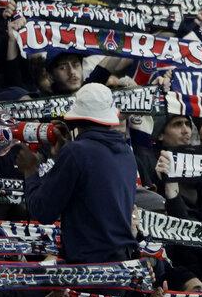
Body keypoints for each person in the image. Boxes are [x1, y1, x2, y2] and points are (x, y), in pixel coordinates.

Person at [17, 82, 139, 263]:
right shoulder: (126, 152)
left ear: (75, 120)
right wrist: (62, 156)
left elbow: (42, 210)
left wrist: (30, 170)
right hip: (125, 261)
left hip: (92, 267)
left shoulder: (77, 152)